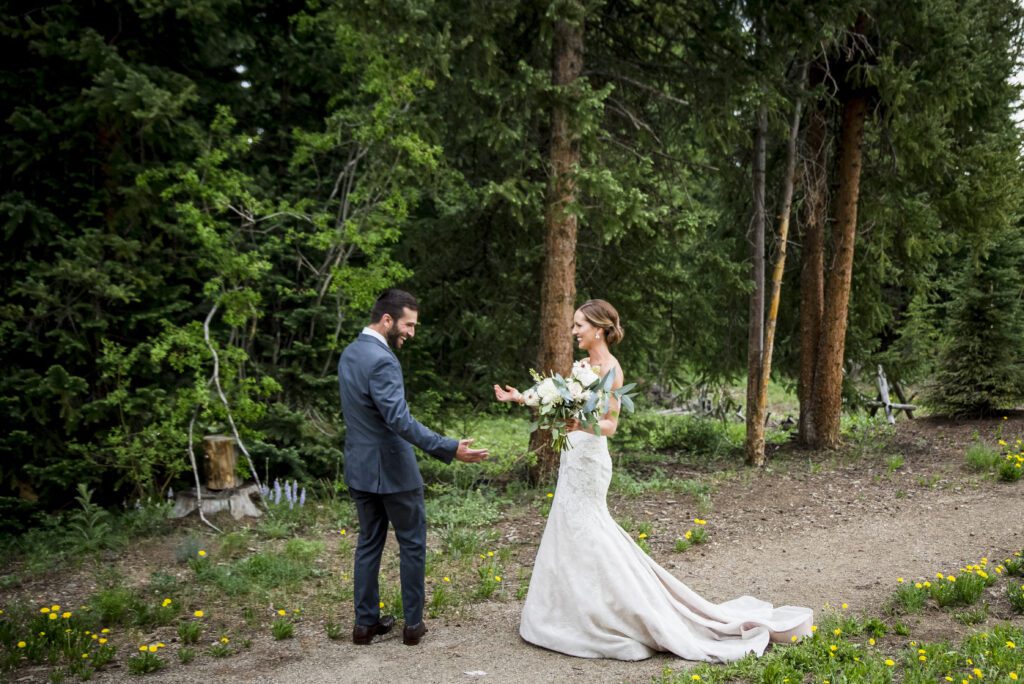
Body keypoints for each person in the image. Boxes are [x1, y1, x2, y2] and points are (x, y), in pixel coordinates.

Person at [494, 299, 812, 662]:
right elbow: (559, 398)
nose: (574, 331)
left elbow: (610, 425)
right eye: (574, 325)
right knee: (569, 530)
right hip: (574, 455)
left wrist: (581, 424)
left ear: (599, 328)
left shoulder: (612, 370)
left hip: (591, 459)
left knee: (588, 530)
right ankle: (569, 614)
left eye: (579, 325)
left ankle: (616, 613)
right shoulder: (582, 366)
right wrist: (522, 397)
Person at [339, 288, 488, 646]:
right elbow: (399, 420)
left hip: (359, 467)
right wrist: (449, 447)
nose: (411, 332)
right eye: (408, 324)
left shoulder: (350, 353)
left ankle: (364, 625)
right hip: (393, 471)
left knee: (368, 544)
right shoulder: (383, 359)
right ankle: (413, 625)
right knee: (412, 544)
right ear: (387, 320)